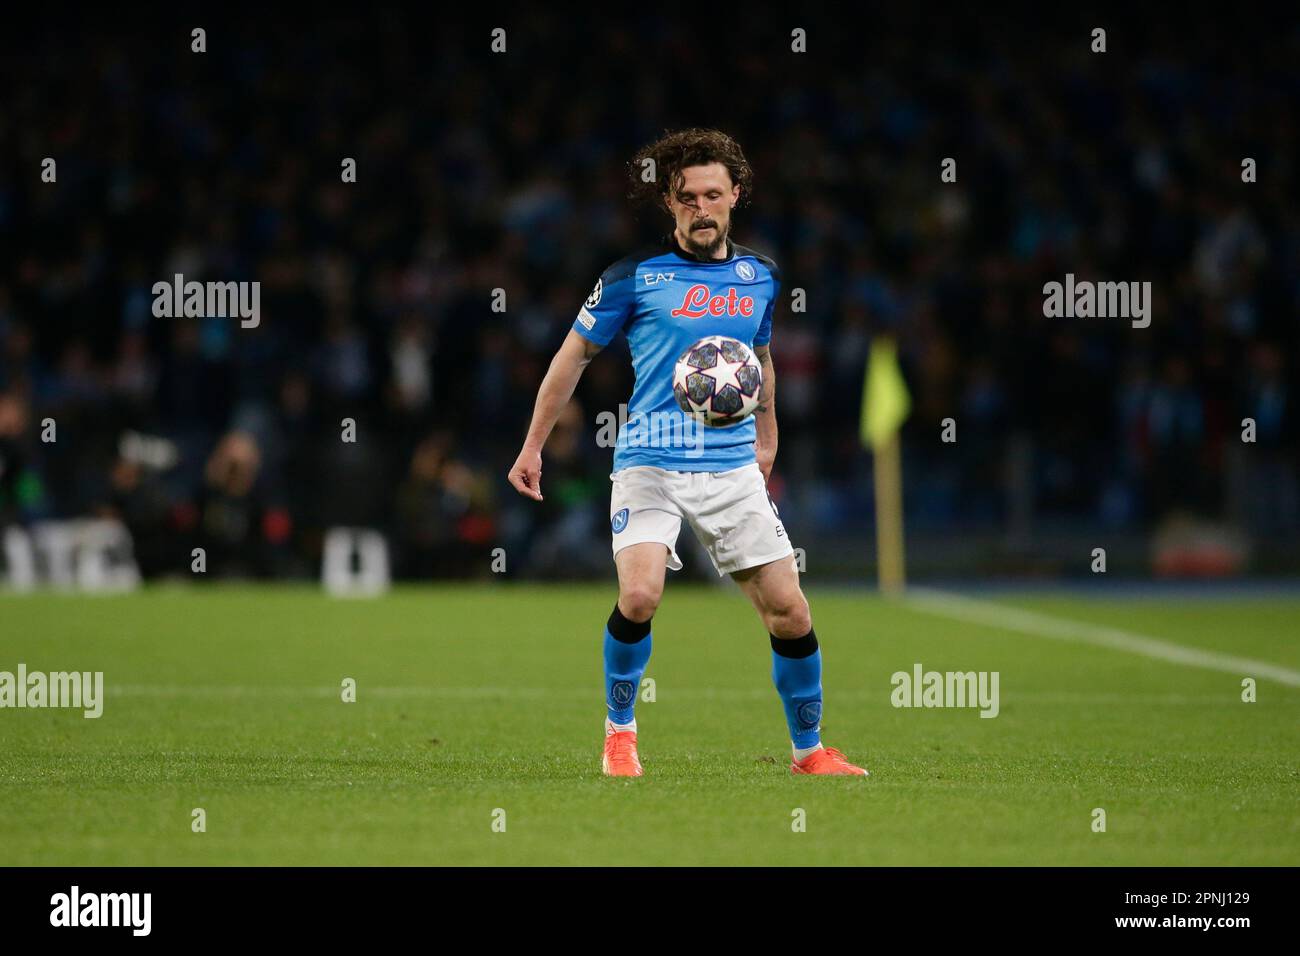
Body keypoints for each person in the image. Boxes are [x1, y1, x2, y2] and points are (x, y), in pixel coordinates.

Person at [508, 129, 867, 778]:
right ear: (669, 205)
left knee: (789, 611)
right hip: (649, 459)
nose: (702, 208)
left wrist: (767, 435)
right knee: (641, 596)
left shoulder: (760, 276)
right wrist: (533, 444)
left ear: (735, 196)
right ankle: (621, 733)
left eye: (713, 194)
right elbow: (571, 358)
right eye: (687, 198)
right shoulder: (633, 279)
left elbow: (757, 359)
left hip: (730, 468)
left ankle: (809, 752)